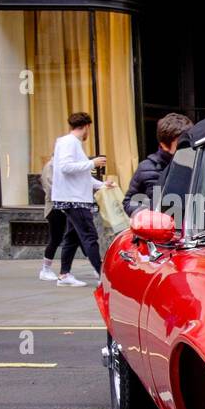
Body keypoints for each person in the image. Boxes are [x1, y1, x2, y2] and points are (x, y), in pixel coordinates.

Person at [50, 111, 116, 287]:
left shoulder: (70, 143)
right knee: (89, 235)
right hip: (74, 199)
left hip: (73, 197)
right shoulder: (70, 143)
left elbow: (80, 175)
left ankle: (65, 275)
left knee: (72, 237)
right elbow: (66, 167)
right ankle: (102, 273)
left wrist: (102, 185)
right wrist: (92, 163)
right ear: (86, 126)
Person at [124, 113, 193, 216]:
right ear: (164, 145)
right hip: (160, 227)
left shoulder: (197, 162)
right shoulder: (146, 167)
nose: (187, 147)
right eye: (180, 144)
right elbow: (129, 201)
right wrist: (144, 214)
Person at [37, 159, 67, 282]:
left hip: (64, 207)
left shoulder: (60, 164)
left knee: (77, 237)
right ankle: (45, 269)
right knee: (56, 239)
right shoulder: (51, 166)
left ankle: (96, 267)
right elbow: (50, 187)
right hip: (55, 208)